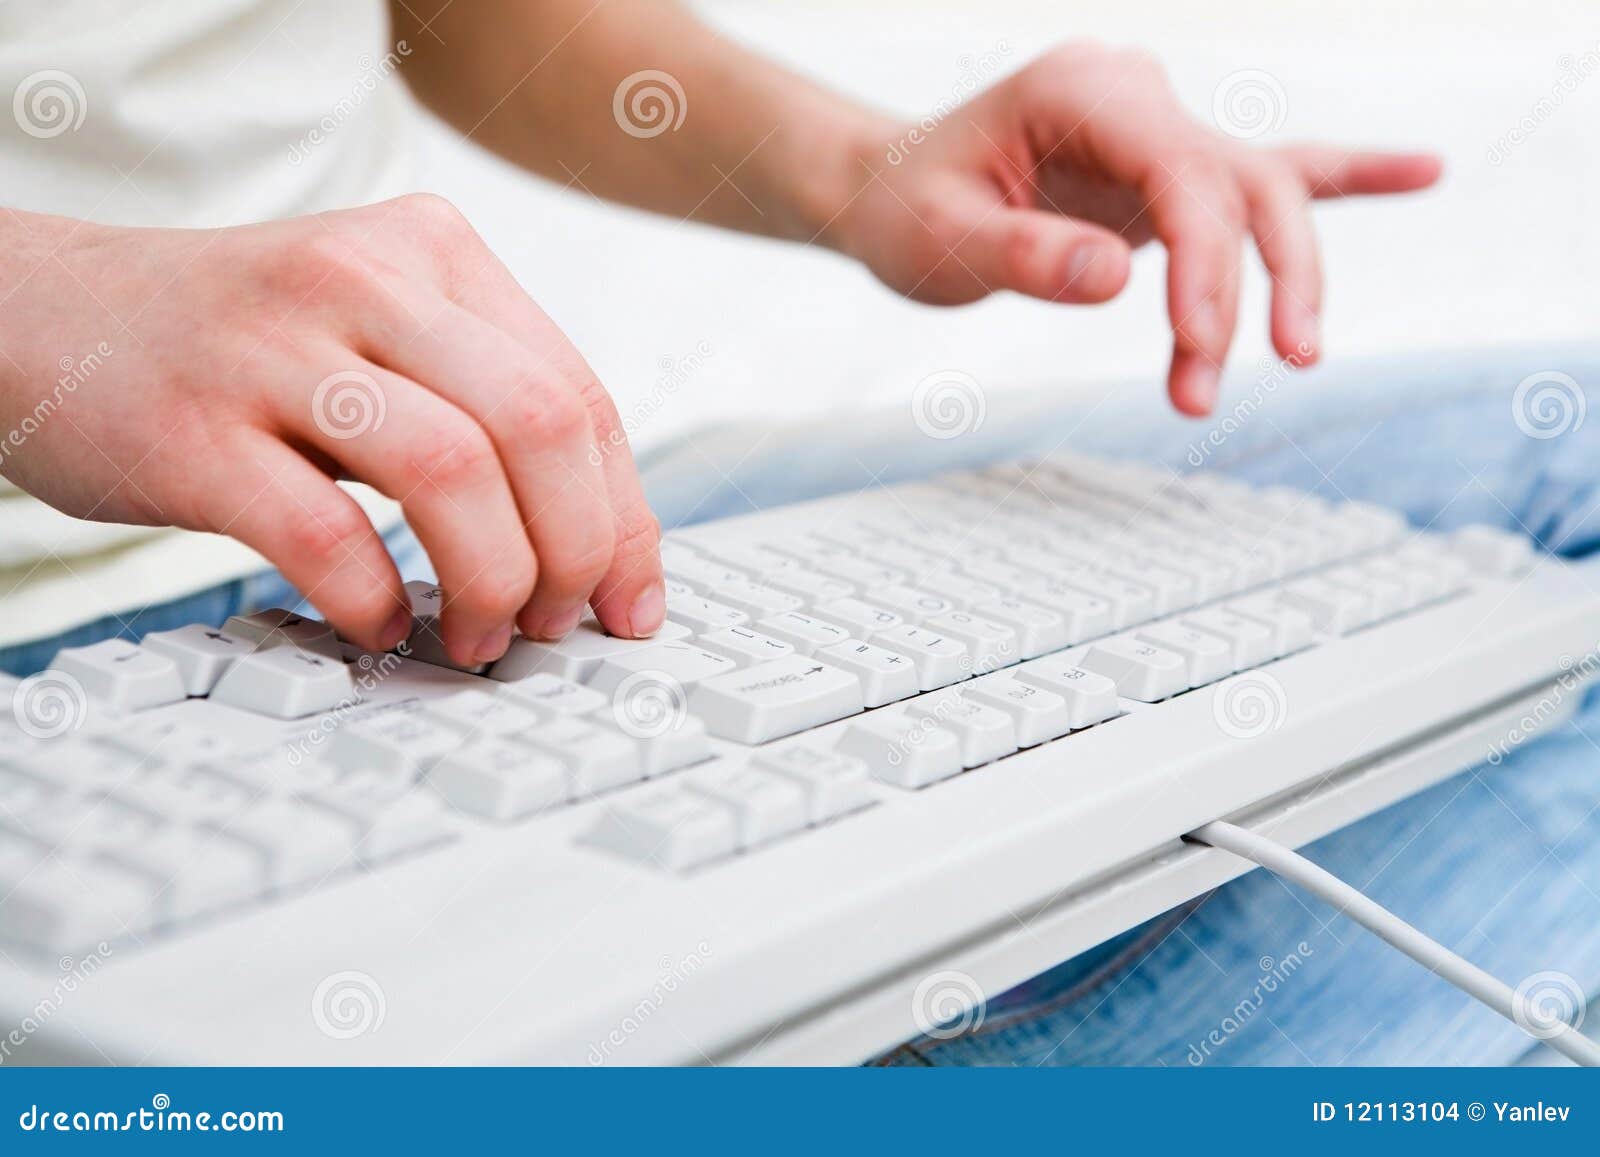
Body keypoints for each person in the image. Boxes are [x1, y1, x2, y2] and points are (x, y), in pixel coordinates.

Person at [11, 2, 1588, 1066]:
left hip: (451, 484)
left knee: (1567, 469)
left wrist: (866, 170)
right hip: (74, 653)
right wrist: (45, 308)